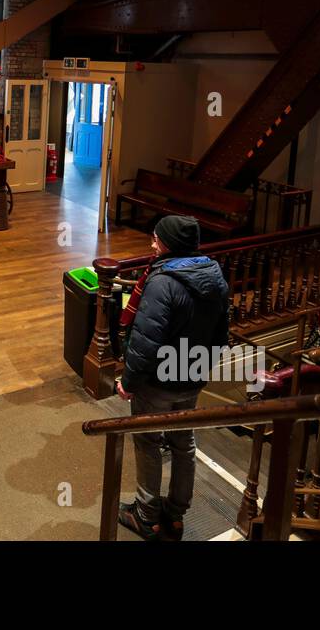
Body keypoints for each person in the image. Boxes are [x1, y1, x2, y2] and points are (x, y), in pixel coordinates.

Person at [115, 215, 230, 541]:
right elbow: (222, 335)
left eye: (155, 239)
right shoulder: (214, 274)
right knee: (184, 443)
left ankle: (147, 515)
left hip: (158, 380)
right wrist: (198, 370)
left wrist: (129, 381)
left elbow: (145, 341)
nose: (152, 244)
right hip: (191, 373)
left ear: (168, 244)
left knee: (148, 441)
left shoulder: (162, 281)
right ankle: (176, 515)